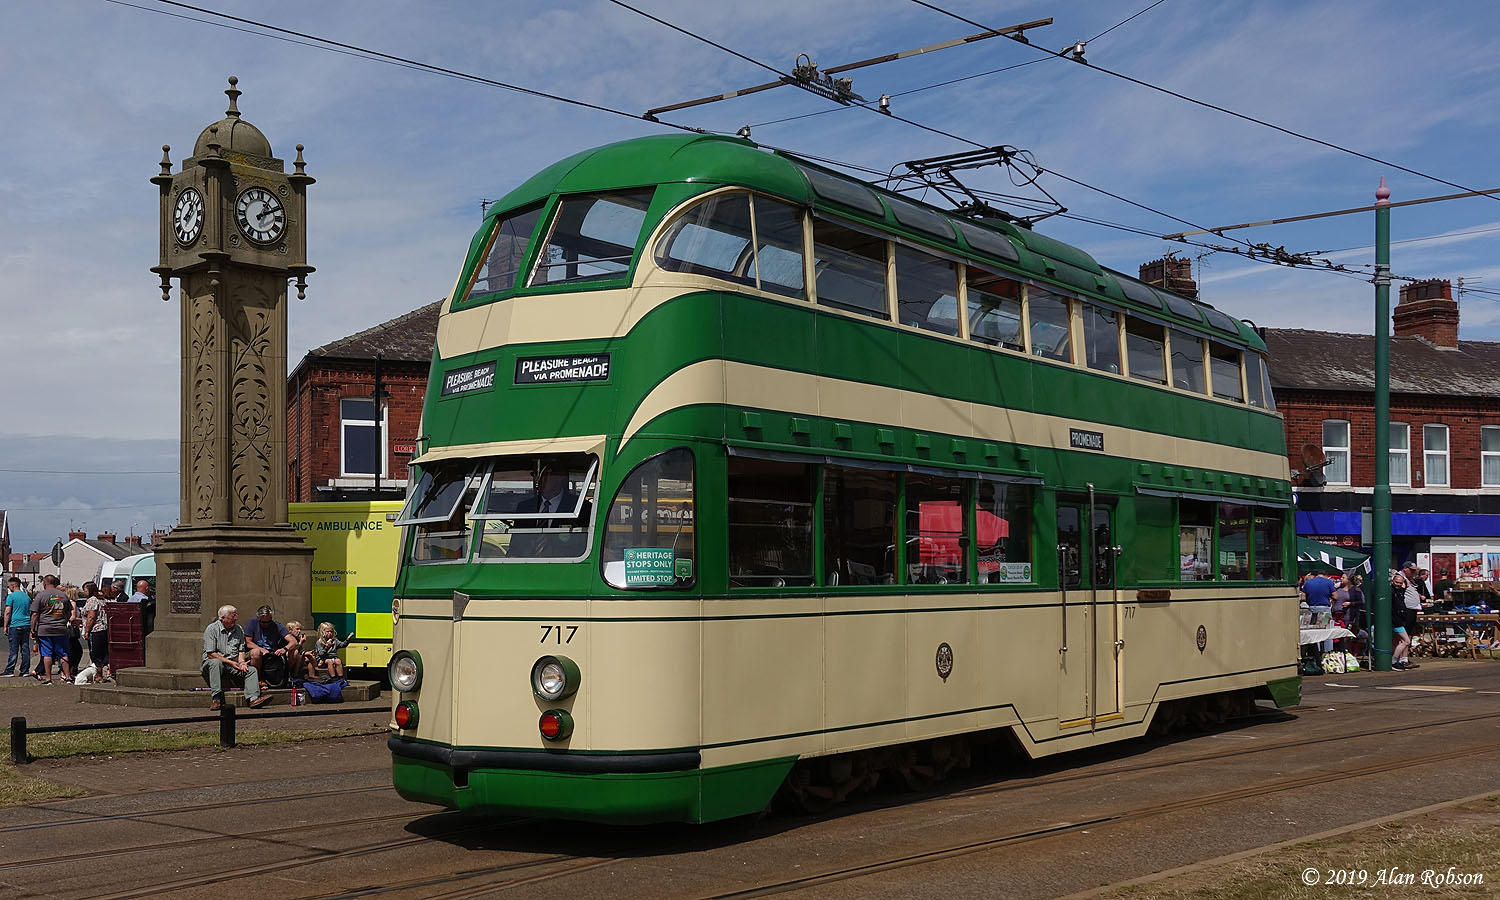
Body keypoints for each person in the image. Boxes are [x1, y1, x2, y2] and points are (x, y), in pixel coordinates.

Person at [201, 605, 267, 709]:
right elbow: (211, 654)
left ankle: (253, 699)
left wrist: (241, 663)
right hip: (215, 663)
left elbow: (241, 650)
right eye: (233, 616)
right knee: (215, 662)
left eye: (236, 615)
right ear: (223, 618)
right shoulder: (212, 629)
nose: (236, 618)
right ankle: (216, 698)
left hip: (233, 663)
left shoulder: (239, 629)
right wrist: (230, 662)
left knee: (252, 670)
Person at [29, 574, 74, 684]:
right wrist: (64, 621)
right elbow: (69, 612)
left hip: (45, 628)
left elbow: (35, 614)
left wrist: (32, 629)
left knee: (47, 654)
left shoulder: (41, 595)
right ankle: (67, 677)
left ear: (45, 584)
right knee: (63, 653)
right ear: (55, 583)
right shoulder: (63, 595)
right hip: (60, 628)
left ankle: (48, 679)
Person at [242, 605, 297, 683]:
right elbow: (248, 642)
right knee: (256, 652)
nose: (266, 624)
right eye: (263, 622)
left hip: (272, 653)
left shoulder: (276, 625)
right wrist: (262, 650)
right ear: (258, 618)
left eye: (268, 622)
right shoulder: (252, 622)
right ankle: (257, 680)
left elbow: (293, 641)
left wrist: (284, 649)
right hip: (256, 651)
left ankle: (287, 677)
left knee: (295, 652)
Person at [80, 581, 110, 682]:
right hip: (103, 629)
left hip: (96, 630)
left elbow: (91, 616)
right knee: (102, 653)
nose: (83, 592)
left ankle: (99, 675)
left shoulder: (92, 600)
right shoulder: (101, 599)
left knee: (95, 654)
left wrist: (87, 631)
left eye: (85, 590)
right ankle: (104, 673)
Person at [3, 577, 31, 677]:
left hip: (15, 624)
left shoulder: (11, 597)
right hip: (26, 624)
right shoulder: (26, 597)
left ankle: (10, 670)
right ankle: (25, 670)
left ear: (13, 585)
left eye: (9, 586)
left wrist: (5, 626)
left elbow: (7, 612)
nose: (9, 588)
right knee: (25, 648)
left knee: (13, 649)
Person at [1390, 572, 1414, 670]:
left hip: (1400, 619)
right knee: (1406, 641)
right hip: (1395, 621)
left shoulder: (1401, 590)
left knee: (1398, 641)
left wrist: (1402, 578)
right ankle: (1394, 661)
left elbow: (1406, 585)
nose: (1398, 584)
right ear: (1392, 581)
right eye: (1396, 582)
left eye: (1400, 583)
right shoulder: (1391, 591)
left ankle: (1398, 660)